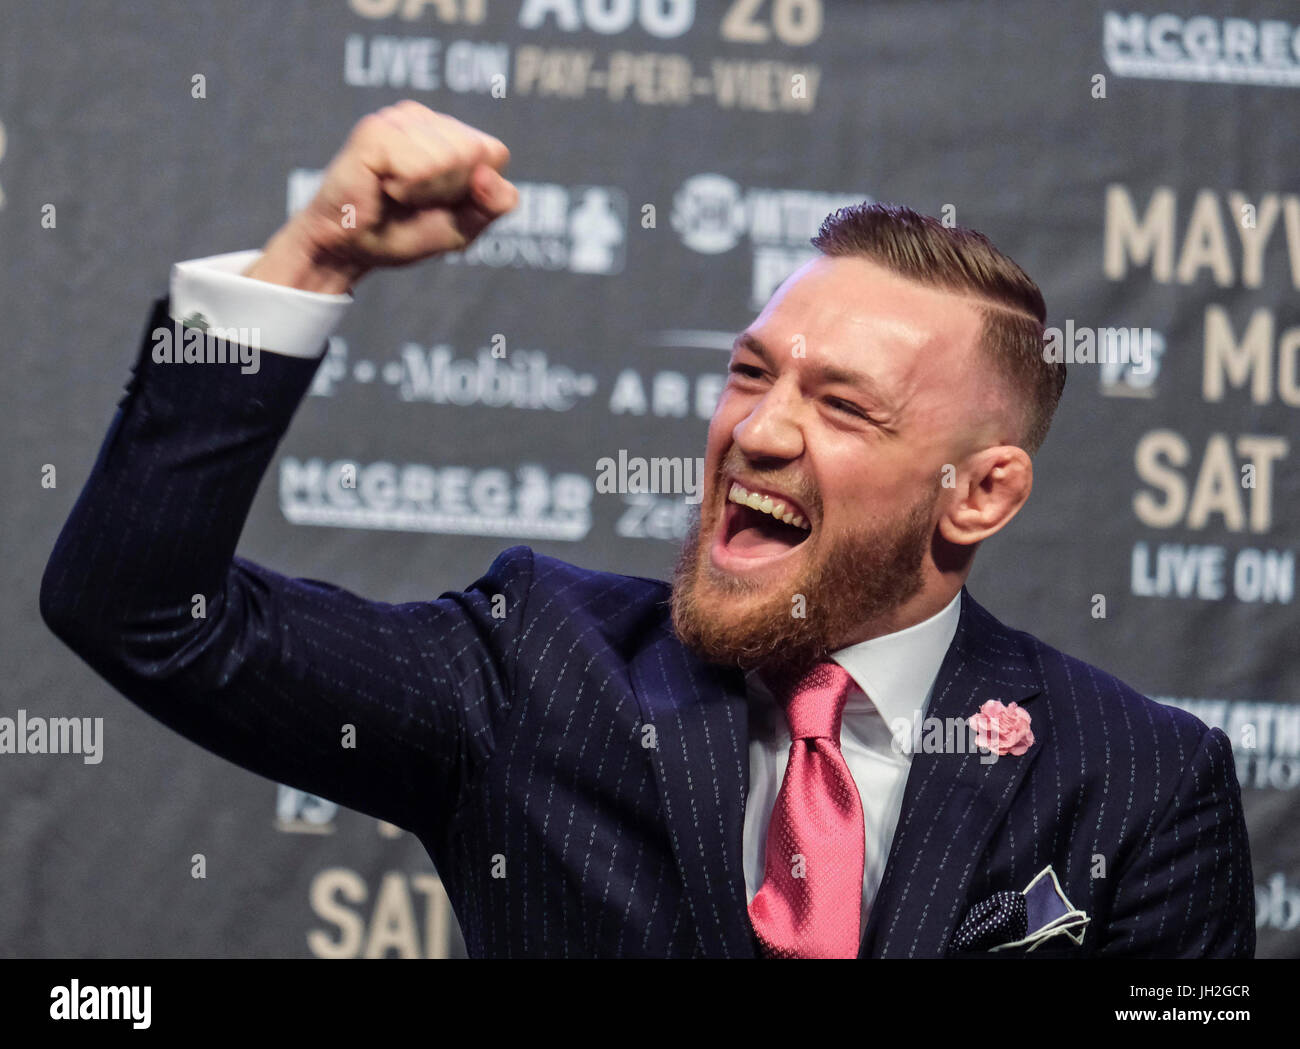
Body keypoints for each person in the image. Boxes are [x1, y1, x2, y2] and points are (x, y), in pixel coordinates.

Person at [41, 101, 1254, 958]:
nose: (760, 430)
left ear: (979, 493)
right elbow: (144, 611)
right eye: (750, 372)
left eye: (840, 405)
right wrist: (312, 259)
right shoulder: (537, 669)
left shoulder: (1137, 778)